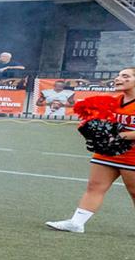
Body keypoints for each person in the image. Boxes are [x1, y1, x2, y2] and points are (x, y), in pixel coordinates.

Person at [47, 69, 135, 232]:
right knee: (95, 186)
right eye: (118, 75)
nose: (118, 78)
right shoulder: (113, 101)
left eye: (125, 76)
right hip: (107, 152)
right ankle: (76, 223)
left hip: (132, 156)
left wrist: (118, 136)